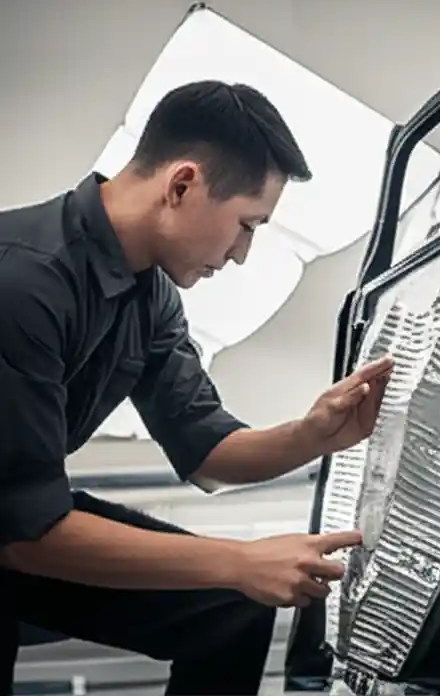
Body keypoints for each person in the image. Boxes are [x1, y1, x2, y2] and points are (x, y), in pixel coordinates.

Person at [0, 79, 393, 695]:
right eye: (246, 225)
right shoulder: (22, 281)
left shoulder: (150, 293)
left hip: (19, 526)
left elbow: (206, 450)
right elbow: (24, 532)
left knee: (230, 606)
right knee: (234, 579)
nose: (240, 254)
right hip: (17, 534)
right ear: (182, 185)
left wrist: (314, 434)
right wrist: (241, 561)